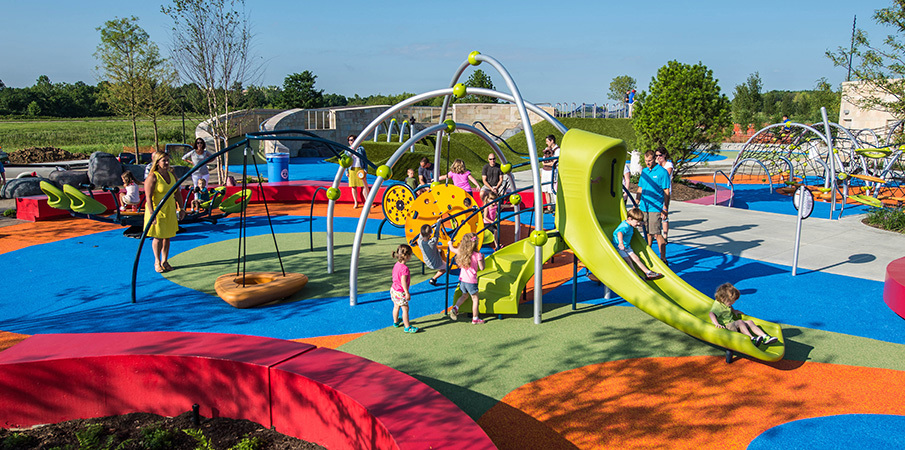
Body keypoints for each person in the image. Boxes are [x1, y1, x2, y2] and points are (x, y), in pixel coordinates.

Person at [144, 151, 184, 274]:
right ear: (157, 162)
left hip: (169, 208)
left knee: (167, 236)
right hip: (157, 209)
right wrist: (152, 213)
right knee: (158, 236)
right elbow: (148, 197)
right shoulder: (153, 177)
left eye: (167, 160)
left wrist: (181, 208)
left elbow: (177, 192)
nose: (166, 163)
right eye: (163, 161)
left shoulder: (171, 175)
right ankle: (157, 261)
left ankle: (165, 261)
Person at [708, 283, 778, 345]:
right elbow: (711, 314)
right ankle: (751, 339)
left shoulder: (726, 303)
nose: (733, 303)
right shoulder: (718, 305)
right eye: (731, 301)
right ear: (723, 298)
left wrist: (734, 311)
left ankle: (765, 337)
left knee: (750, 322)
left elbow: (729, 307)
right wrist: (717, 324)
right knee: (740, 322)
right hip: (726, 327)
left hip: (732, 324)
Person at [637, 149, 671, 265]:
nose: (648, 163)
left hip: (655, 207)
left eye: (650, 160)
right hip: (644, 207)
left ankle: (663, 258)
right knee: (647, 232)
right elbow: (640, 188)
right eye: (646, 160)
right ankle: (648, 254)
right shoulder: (645, 171)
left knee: (656, 233)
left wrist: (665, 208)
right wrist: (637, 200)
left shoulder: (662, 172)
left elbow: (666, 191)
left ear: (655, 159)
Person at [613, 208, 662, 280]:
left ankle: (648, 272)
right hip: (619, 247)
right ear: (630, 219)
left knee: (636, 258)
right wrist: (620, 243)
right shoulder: (625, 226)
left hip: (626, 246)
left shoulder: (630, 224)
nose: (638, 224)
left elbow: (636, 223)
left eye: (639, 222)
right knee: (628, 261)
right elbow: (619, 233)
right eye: (637, 222)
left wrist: (641, 223)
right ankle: (635, 276)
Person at [448, 232, 485, 324]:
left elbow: (452, 249)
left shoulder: (461, 252)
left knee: (464, 295)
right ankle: (475, 318)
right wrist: (483, 259)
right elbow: (482, 268)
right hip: (471, 281)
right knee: (475, 299)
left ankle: (455, 308)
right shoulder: (477, 255)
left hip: (462, 281)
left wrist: (450, 243)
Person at [390, 244, 419, 333]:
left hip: (394, 289)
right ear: (407, 256)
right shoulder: (404, 268)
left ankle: (396, 322)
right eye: (411, 254)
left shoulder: (397, 264)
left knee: (396, 306)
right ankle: (407, 327)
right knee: (405, 309)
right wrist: (406, 292)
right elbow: (403, 281)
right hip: (400, 292)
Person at [418, 221, 447, 286]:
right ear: (430, 234)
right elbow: (436, 233)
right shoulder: (432, 242)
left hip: (426, 261)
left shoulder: (419, 241)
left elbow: (423, 234)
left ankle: (441, 260)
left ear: (421, 233)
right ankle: (433, 279)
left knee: (439, 250)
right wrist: (438, 223)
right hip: (435, 264)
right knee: (446, 268)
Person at [346, 135, 370, 209]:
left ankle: (367, 203)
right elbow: (346, 161)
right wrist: (347, 171)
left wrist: (365, 169)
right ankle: (356, 202)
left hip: (360, 169)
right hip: (352, 169)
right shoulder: (347, 150)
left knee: (364, 186)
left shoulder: (361, 149)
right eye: (349, 140)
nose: (350, 141)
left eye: (352, 140)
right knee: (353, 186)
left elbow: (365, 159)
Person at [655, 148, 673, 236]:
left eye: (660, 155)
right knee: (655, 213)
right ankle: (655, 233)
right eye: (656, 156)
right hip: (656, 191)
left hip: (665, 191)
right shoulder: (656, 166)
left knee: (664, 213)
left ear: (665, 155)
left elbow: (665, 175)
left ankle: (665, 235)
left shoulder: (668, 164)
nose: (658, 157)